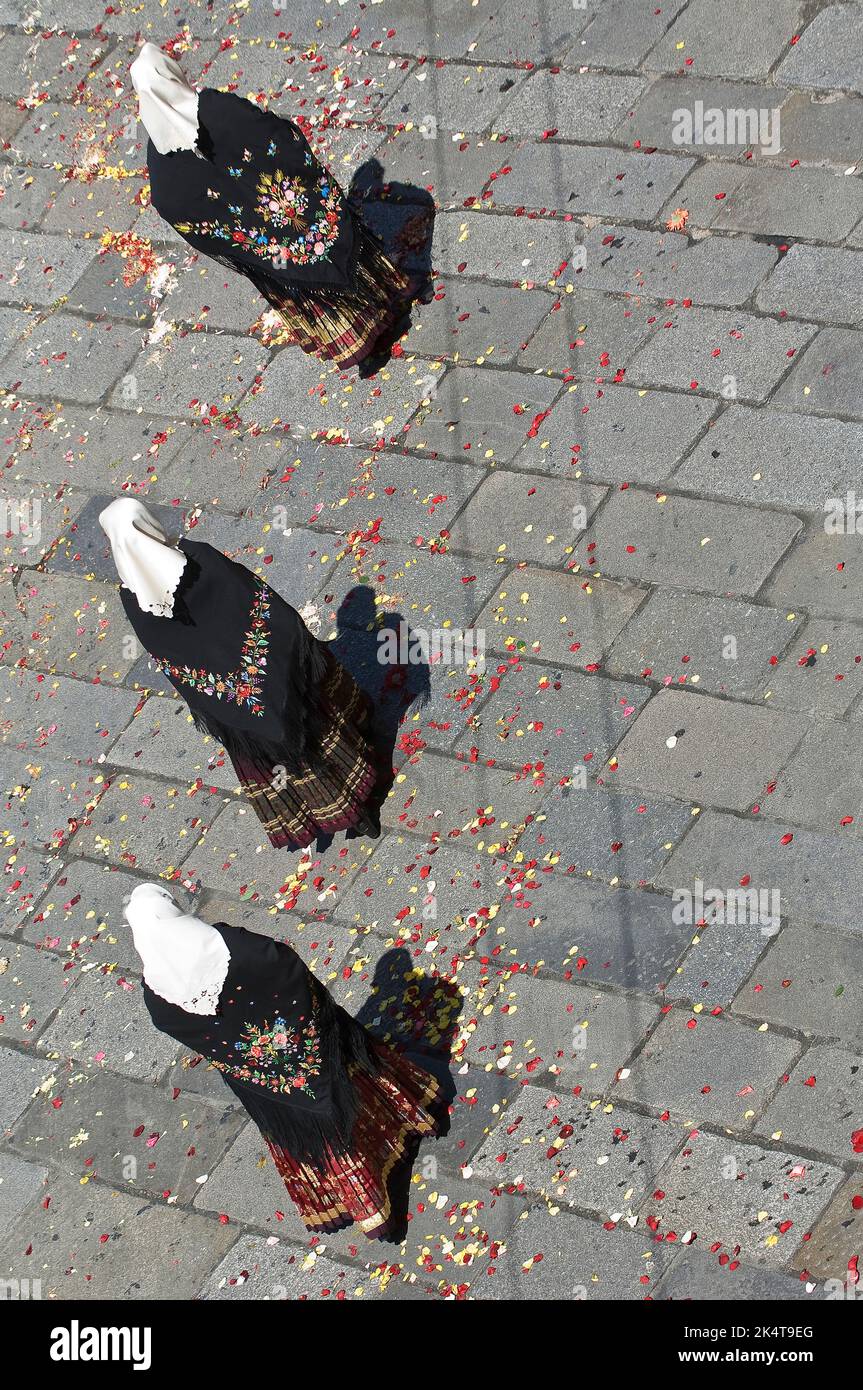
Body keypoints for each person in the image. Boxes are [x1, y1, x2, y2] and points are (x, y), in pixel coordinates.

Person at [126, 882, 442, 1238]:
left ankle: (365, 1201)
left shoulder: (158, 998)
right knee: (350, 1089)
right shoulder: (233, 947)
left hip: (266, 1086)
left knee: (321, 1139)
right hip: (315, 1049)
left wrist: (253, 1060)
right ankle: (402, 1125)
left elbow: (196, 1035)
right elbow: (287, 966)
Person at [100, 496, 382, 852]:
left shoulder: (135, 603)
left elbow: (176, 664)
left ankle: (346, 813)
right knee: (319, 725)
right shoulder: (198, 558)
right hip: (279, 675)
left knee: (287, 762)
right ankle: (360, 781)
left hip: (235, 708)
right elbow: (257, 599)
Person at [131, 42, 413, 369]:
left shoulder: (160, 160)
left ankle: (355, 337)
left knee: (300, 278)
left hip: (264, 241)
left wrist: (238, 235)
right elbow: (273, 134)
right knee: (332, 247)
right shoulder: (214, 107)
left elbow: (171, 206)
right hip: (292, 205)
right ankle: (382, 302)